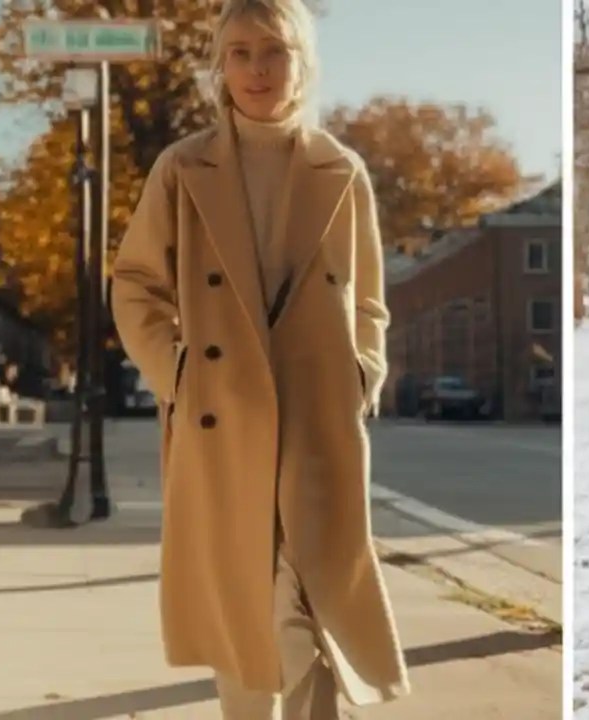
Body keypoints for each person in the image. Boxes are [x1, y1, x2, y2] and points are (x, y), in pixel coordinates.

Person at [110, 1, 408, 717]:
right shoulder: (183, 168)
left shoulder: (342, 170)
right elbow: (136, 282)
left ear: (301, 62)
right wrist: (176, 373)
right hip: (223, 420)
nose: (256, 69)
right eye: (239, 53)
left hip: (317, 421)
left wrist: (362, 373)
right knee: (246, 613)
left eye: (273, 51)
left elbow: (369, 299)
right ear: (220, 65)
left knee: (311, 605)